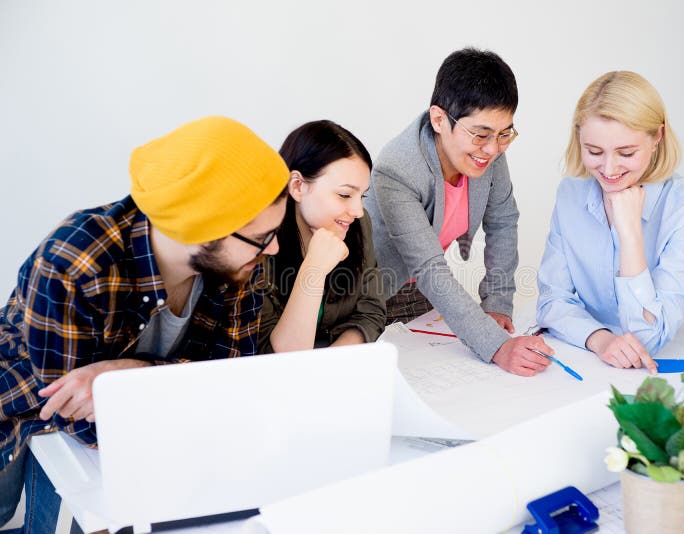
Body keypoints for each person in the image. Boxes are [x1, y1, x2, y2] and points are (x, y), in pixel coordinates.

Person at [0, 116, 290, 533]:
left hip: (109, 443)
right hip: (19, 401)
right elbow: (75, 412)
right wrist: (176, 390)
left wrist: (135, 373)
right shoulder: (75, 261)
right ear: (200, 229)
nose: (274, 248)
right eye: (263, 237)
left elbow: (231, 377)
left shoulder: (240, 263)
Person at [365, 48, 552, 377]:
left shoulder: (488, 152)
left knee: (442, 375)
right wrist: (496, 345)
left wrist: (497, 301)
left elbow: (503, 223)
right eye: (480, 134)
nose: (492, 149)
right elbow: (429, 267)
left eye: (504, 133)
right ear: (439, 119)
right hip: (366, 293)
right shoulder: (397, 169)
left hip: (416, 290)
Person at [536, 71, 684, 373]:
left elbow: (649, 338)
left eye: (626, 153)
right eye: (594, 151)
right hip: (601, 358)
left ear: (657, 138)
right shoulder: (571, 194)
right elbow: (551, 300)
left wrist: (630, 233)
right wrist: (600, 339)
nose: (608, 169)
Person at [258, 120, 385, 352]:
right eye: (345, 195)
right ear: (297, 186)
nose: (357, 211)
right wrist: (314, 268)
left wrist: (332, 359)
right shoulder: (259, 242)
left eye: (362, 196)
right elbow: (281, 355)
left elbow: (372, 310)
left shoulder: (358, 224)